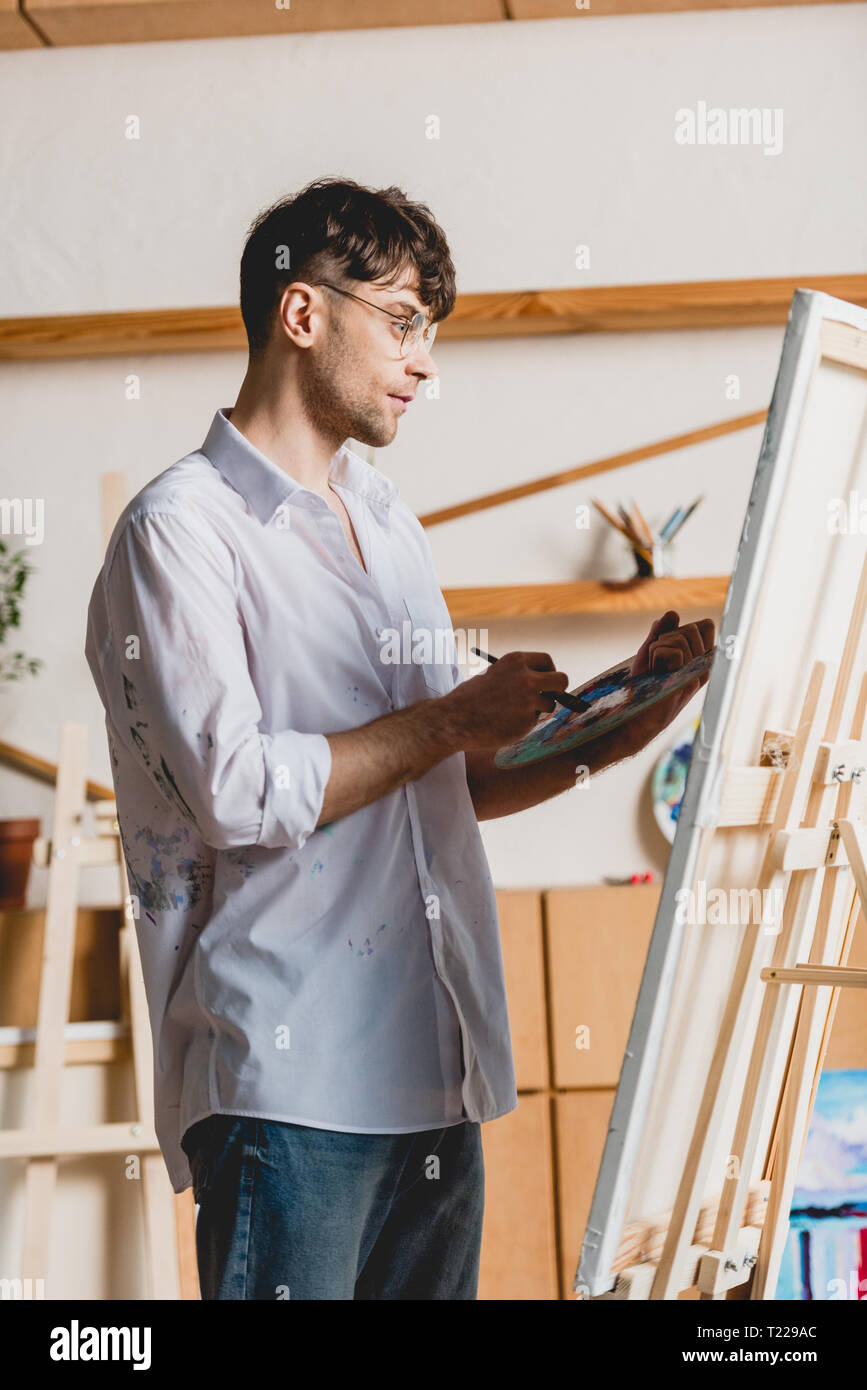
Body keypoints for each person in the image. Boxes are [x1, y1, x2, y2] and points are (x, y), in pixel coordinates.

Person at [84, 176, 714, 1300]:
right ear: (303, 313)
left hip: (435, 1072)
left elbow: (446, 776)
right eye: (406, 321)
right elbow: (237, 788)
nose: (427, 363)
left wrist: (625, 718)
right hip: (289, 1084)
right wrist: (447, 719)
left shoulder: (387, 520)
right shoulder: (180, 531)